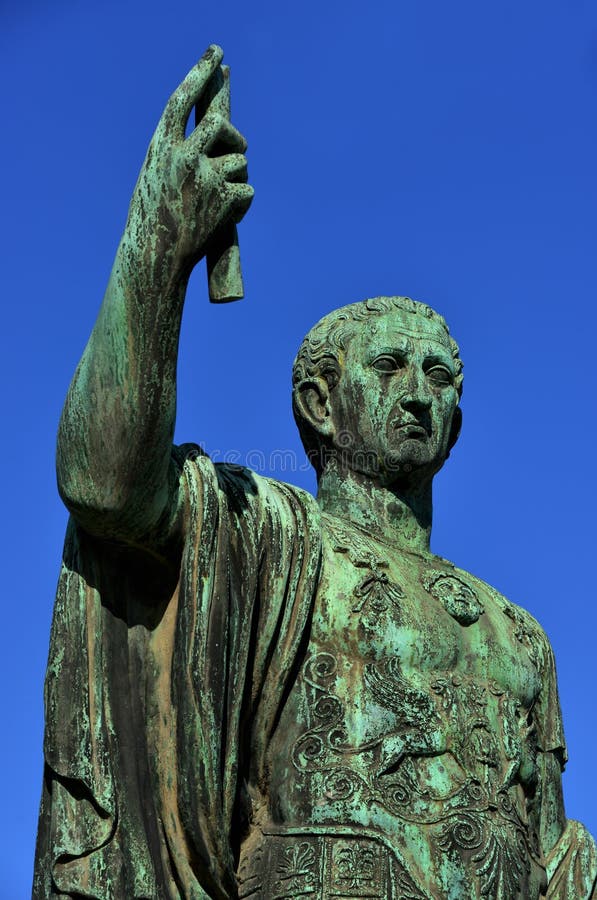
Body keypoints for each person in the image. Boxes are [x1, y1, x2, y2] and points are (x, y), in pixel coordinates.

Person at [34, 46, 596, 899]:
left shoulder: (519, 633)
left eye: (440, 377)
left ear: (458, 418)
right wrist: (159, 251)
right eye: (390, 369)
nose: (418, 394)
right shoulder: (266, 533)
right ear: (318, 403)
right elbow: (104, 485)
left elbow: (552, 852)